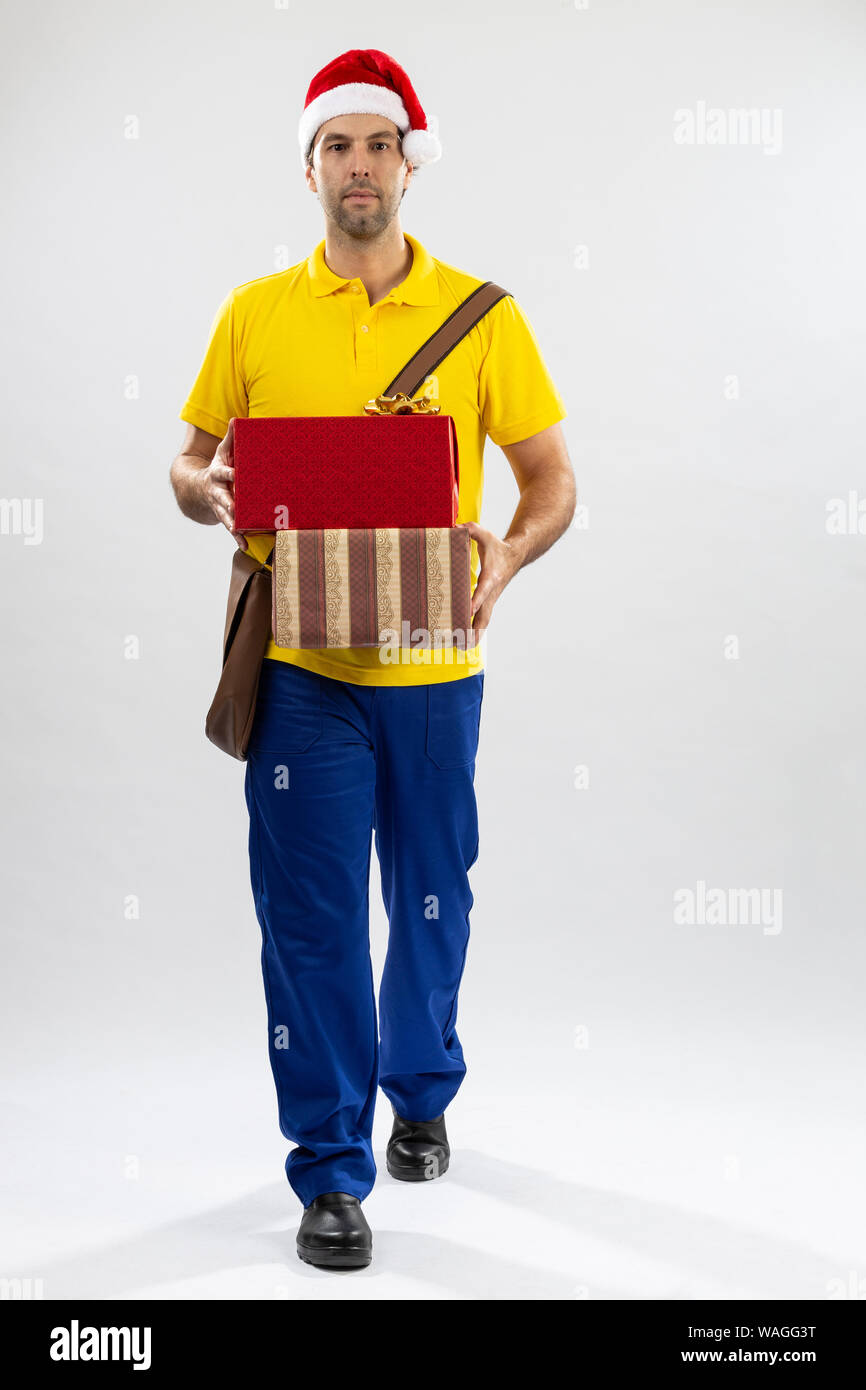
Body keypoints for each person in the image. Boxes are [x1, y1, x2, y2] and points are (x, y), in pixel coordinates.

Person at [169, 48, 575, 1271]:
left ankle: (423, 1079)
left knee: (433, 892)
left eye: (377, 145)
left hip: (433, 666)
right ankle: (330, 1169)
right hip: (301, 670)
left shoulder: (482, 317)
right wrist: (205, 487)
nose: (358, 167)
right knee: (310, 920)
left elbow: (551, 481)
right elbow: (189, 463)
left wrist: (506, 551)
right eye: (336, 146)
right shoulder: (252, 312)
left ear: (409, 162)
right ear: (310, 168)